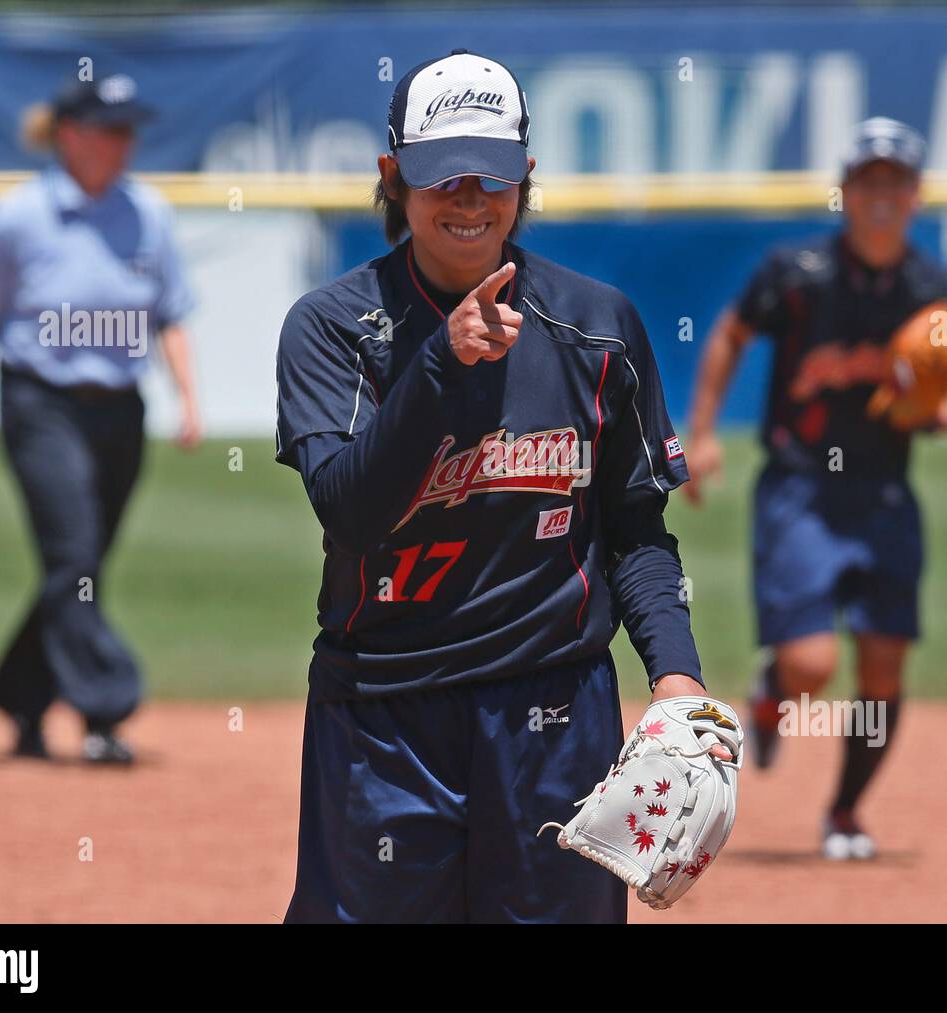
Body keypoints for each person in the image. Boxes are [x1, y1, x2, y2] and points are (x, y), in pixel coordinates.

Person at [275, 50, 726, 923]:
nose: (471, 201)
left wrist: (675, 673)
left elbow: (635, 528)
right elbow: (351, 508)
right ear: (393, 176)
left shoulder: (598, 327)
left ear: (527, 176)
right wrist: (441, 361)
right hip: (383, 715)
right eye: (446, 179)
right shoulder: (334, 331)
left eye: (494, 178)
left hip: (556, 712)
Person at [684, 118, 947, 859]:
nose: (882, 196)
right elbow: (730, 334)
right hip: (802, 488)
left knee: (883, 662)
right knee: (810, 665)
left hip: (883, 496)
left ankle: (844, 812)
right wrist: (705, 429)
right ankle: (773, 700)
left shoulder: (934, 292)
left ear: (915, 196)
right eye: (868, 181)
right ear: (844, 191)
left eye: (896, 183)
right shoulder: (798, 271)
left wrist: (939, 408)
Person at [0, 75, 201, 764]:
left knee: (78, 568)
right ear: (71, 135)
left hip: (121, 407)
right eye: (112, 130)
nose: (126, 143)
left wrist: (189, 401)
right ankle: (104, 708)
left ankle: (22, 702)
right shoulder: (20, 217)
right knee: (74, 554)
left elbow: (169, 315)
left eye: (129, 130)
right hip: (40, 402)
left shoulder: (147, 212)